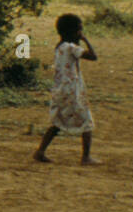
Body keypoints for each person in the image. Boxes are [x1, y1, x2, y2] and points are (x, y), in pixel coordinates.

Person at [34, 14, 100, 165]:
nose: (81, 32)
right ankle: (86, 157)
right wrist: (85, 40)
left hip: (60, 90)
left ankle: (40, 151)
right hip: (72, 91)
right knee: (87, 122)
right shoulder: (71, 48)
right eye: (79, 30)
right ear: (73, 31)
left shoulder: (60, 47)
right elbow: (93, 56)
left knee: (57, 122)